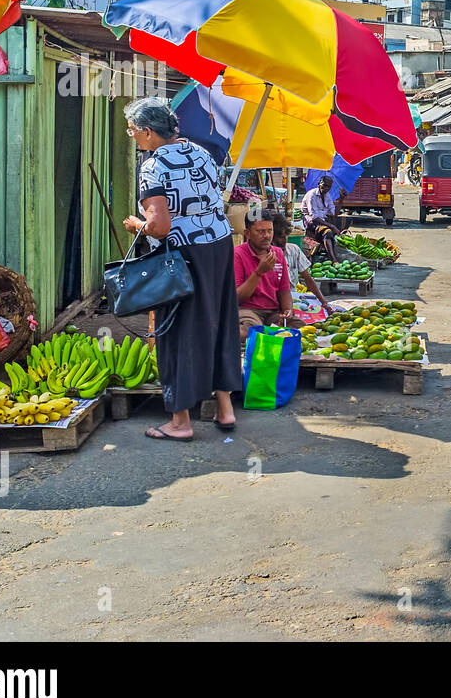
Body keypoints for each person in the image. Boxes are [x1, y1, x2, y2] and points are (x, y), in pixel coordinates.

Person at [122, 97, 240, 440]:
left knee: (178, 332)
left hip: (183, 255)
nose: (132, 137)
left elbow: (159, 227)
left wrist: (136, 225)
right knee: (218, 322)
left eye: (132, 131)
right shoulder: (201, 152)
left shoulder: (152, 166)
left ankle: (180, 422)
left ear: (147, 132)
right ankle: (225, 409)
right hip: (218, 246)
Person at [234, 206, 293, 341]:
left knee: (298, 330)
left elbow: (284, 290)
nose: (266, 236)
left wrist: (287, 311)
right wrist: (259, 272)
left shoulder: (277, 253)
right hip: (248, 310)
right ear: (247, 233)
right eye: (260, 231)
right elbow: (237, 298)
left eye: (269, 231)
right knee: (247, 333)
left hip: (273, 312)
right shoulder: (238, 254)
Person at [271, 212, 330, 322]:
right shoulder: (266, 256)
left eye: (286, 235)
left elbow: (307, 278)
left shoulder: (294, 250)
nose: (284, 240)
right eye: (280, 237)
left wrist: (324, 302)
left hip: (293, 299)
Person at [302, 175, 349, 260]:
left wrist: (341, 200)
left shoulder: (327, 196)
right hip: (311, 222)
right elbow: (314, 217)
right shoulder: (312, 195)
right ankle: (333, 259)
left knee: (346, 221)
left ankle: (330, 249)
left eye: (328, 186)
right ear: (319, 184)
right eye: (324, 185)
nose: (326, 188)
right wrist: (331, 226)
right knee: (328, 231)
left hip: (322, 220)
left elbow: (333, 213)